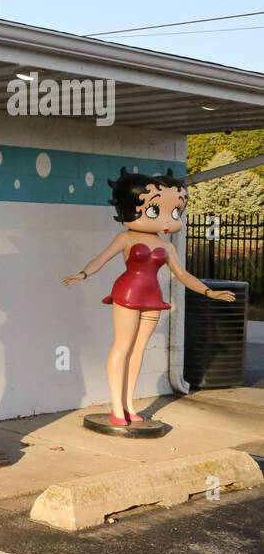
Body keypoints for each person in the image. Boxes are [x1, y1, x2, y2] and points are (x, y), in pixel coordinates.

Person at [62, 167, 234, 426]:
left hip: (153, 297)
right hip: (128, 293)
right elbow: (102, 259)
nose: (167, 219)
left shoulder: (166, 246)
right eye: (156, 210)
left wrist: (209, 291)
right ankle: (116, 406)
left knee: (138, 351)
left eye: (175, 212)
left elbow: (183, 275)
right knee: (122, 346)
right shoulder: (126, 237)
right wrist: (84, 274)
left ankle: (128, 403)